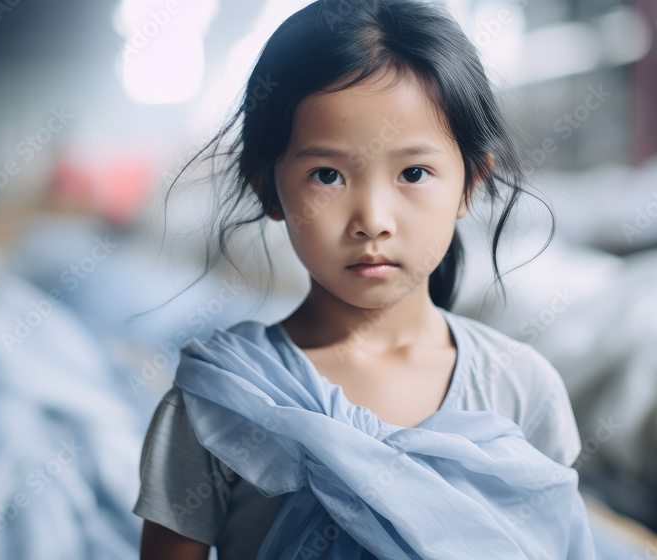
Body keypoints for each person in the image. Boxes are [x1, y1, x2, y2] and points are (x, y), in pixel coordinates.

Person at [132, 0, 597, 558]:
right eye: (326, 175)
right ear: (267, 187)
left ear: (470, 185)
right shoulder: (220, 400)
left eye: (414, 173)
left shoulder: (521, 388)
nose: (372, 219)